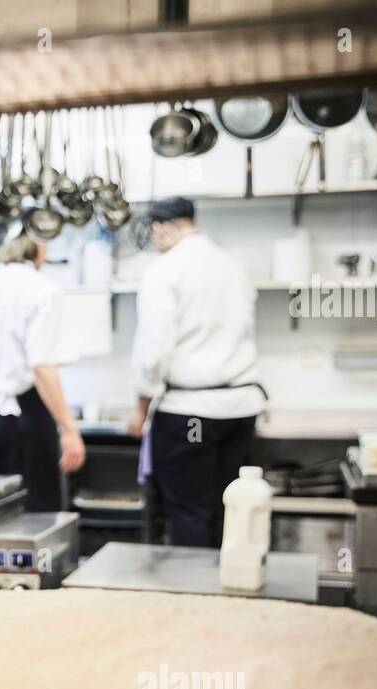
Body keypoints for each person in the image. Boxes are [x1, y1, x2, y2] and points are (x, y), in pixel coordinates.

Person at [126, 197, 265, 549]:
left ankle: (196, 598)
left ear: (161, 228)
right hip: (241, 410)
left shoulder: (165, 270)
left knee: (190, 511)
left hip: (192, 416)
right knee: (229, 509)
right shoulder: (233, 265)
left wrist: (140, 408)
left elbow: (154, 349)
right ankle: (232, 588)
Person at [0, 236, 85, 511]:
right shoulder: (42, 289)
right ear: (40, 246)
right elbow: (42, 365)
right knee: (37, 514)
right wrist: (69, 429)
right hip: (22, 414)